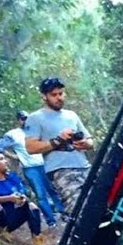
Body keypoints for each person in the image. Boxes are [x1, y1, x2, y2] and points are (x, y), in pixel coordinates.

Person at [23, 77, 94, 221]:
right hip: (60, 170)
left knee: (96, 204)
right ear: (44, 96)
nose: (58, 98)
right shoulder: (35, 118)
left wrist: (85, 144)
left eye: (61, 94)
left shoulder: (71, 115)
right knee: (77, 206)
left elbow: (90, 140)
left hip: (83, 165)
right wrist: (58, 140)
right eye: (54, 95)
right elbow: (30, 148)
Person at [0, 110, 66, 227]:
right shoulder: (13, 134)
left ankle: (64, 214)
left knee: (53, 190)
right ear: (18, 120)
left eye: (27, 118)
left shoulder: (37, 130)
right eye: (22, 118)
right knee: (41, 195)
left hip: (45, 164)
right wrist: (14, 156)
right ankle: (51, 221)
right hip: (30, 168)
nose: (25, 120)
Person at [0, 150, 46, 245]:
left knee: (32, 206)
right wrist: (8, 198)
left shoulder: (12, 178)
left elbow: (22, 192)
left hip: (8, 215)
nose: (6, 161)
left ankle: (37, 238)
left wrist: (22, 198)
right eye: (1, 159)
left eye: (5, 158)